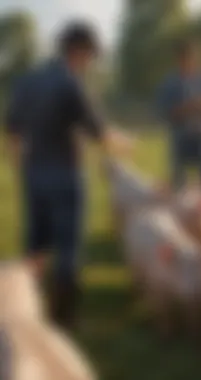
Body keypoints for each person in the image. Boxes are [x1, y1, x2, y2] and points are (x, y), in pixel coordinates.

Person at [4, 21, 131, 330]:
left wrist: (22, 167)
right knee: (68, 247)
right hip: (66, 175)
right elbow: (100, 133)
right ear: (79, 51)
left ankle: (27, 309)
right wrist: (127, 142)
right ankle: (64, 318)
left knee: (36, 244)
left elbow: (11, 132)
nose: (91, 63)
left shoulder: (29, 81)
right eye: (91, 56)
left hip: (34, 174)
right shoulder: (71, 84)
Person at [157, 39, 201, 191]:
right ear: (179, 59)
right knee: (178, 181)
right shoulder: (170, 83)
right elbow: (164, 110)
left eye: (195, 57)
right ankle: (180, 204)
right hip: (180, 135)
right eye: (186, 57)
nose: (191, 61)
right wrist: (187, 107)